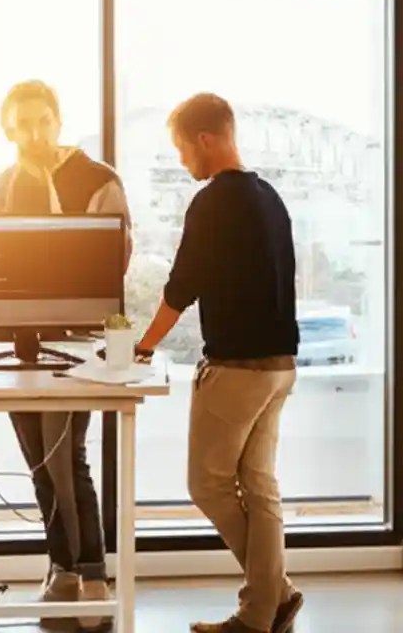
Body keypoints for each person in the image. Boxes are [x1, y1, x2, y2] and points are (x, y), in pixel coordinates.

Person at [135, 93, 304, 633]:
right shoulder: (270, 197)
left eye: (182, 149)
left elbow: (182, 287)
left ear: (206, 140)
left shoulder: (212, 202)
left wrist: (141, 348)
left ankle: (273, 594)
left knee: (207, 485)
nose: (183, 161)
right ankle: (263, 612)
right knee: (259, 486)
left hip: (236, 368)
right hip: (280, 365)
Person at [0, 80, 132, 630]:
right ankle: (62, 567)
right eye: (22, 123)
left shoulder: (99, 180)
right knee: (38, 462)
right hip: (15, 342)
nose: (33, 132)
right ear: (8, 128)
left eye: (42, 120)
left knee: (66, 458)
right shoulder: (5, 183)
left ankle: (93, 570)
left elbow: (110, 261)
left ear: (58, 120)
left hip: (74, 343)